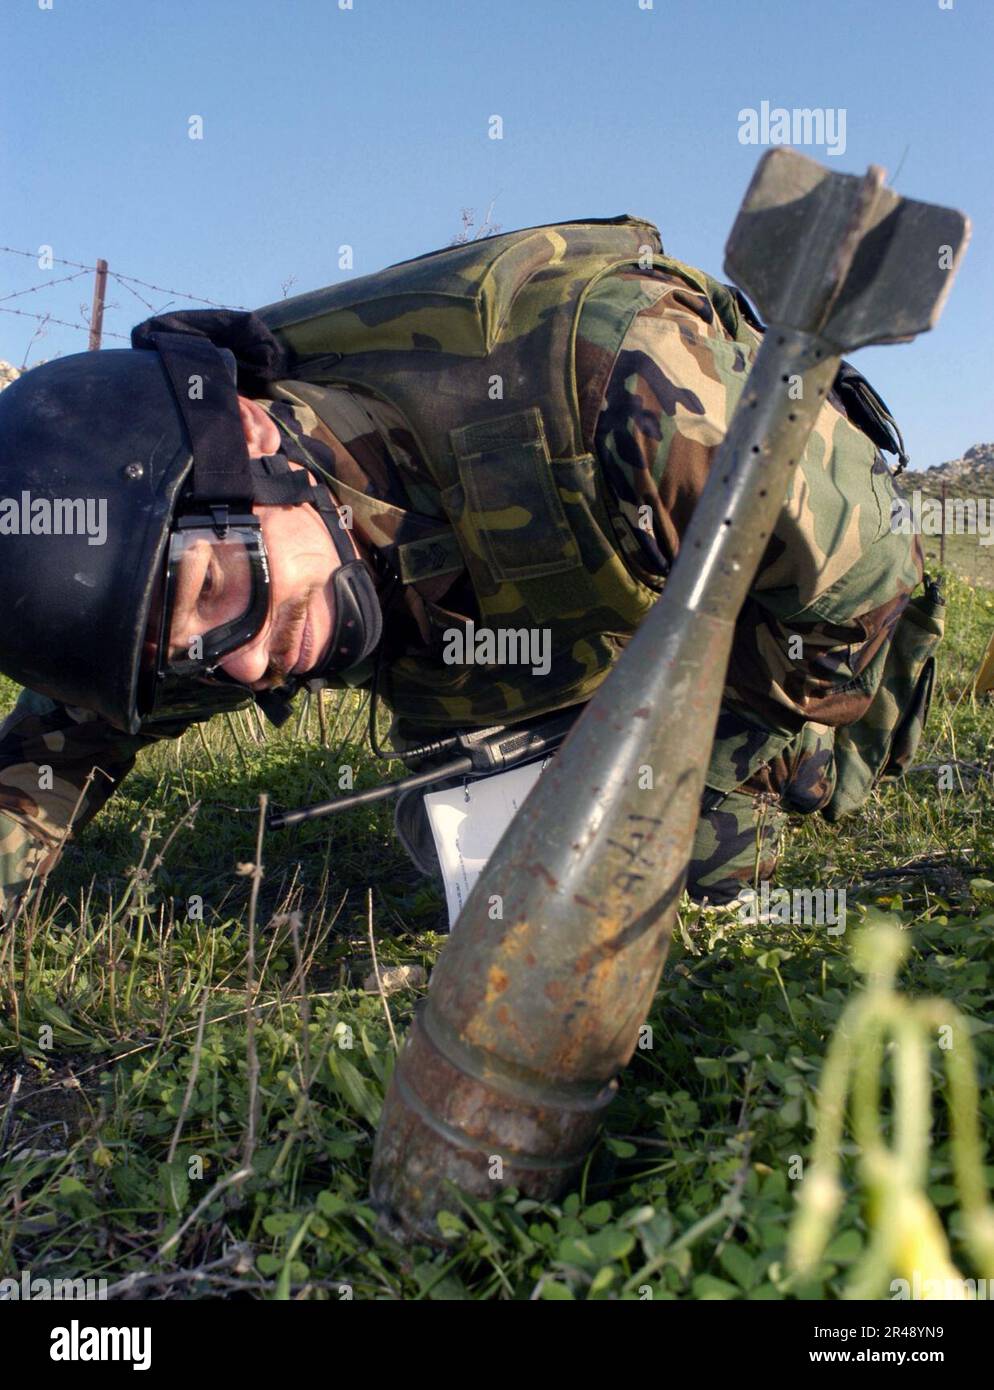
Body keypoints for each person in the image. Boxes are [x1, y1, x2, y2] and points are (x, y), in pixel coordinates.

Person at [0, 215, 942, 919]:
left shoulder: (621, 385)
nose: (244, 666)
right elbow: (57, 753)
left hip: (776, 628)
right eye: (192, 654)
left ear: (251, 434)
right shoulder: (228, 578)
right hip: (559, 648)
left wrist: (711, 767)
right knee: (473, 852)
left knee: (690, 855)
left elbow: (856, 586)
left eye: (213, 587)